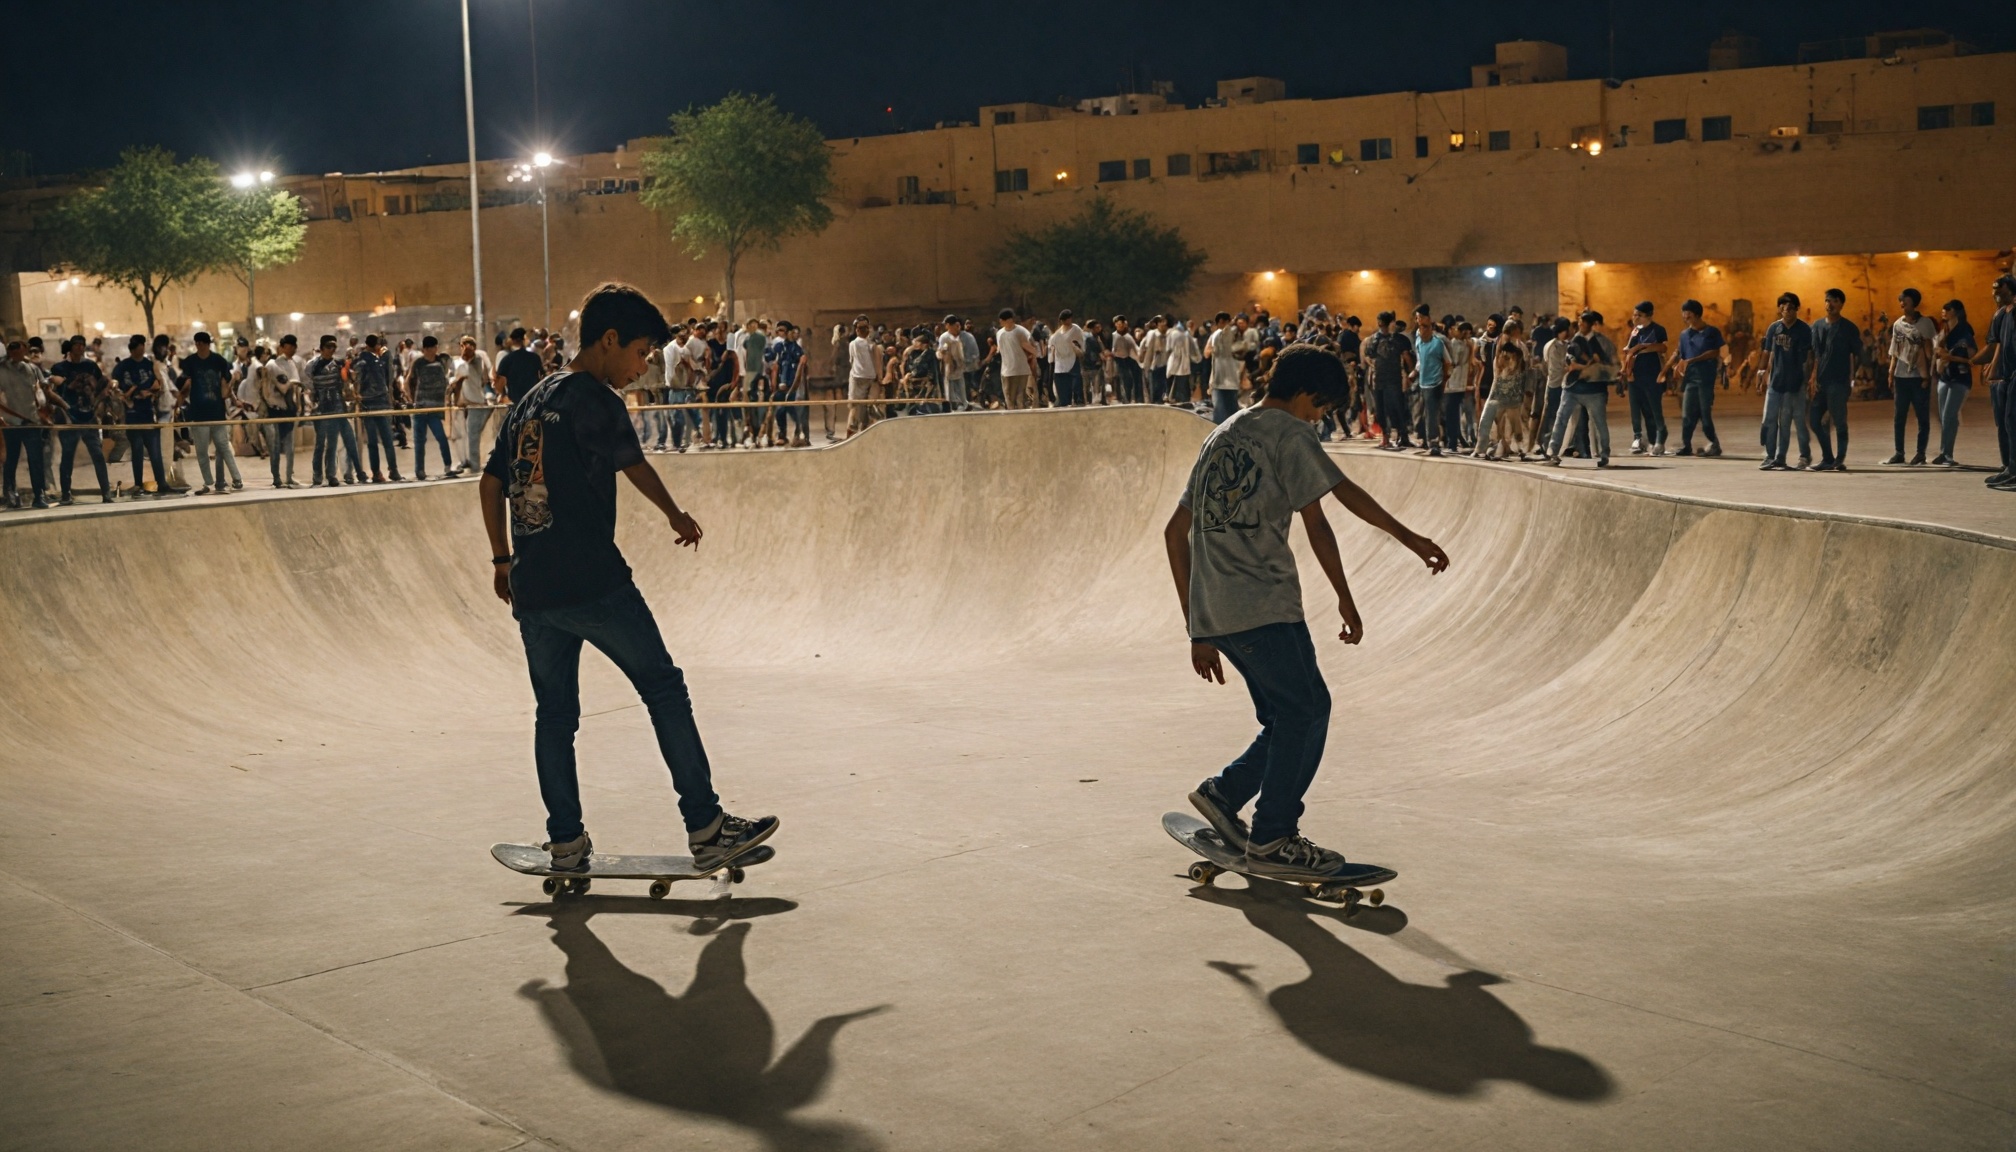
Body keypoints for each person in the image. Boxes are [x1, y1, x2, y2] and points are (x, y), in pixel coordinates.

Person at [479, 283, 778, 873]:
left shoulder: (528, 401)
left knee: (556, 716)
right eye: (640, 353)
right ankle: (707, 827)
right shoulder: (594, 398)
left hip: (534, 589)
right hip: (594, 583)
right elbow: (633, 464)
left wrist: (501, 560)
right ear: (609, 340)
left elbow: (490, 484)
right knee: (663, 689)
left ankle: (565, 840)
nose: (642, 368)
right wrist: (675, 514)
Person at [1163, 344, 1447, 880]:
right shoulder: (1290, 433)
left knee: (1285, 716)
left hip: (1219, 613)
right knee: (1307, 710)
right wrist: (1407, 541)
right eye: (1322, 407)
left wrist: (1197, 626)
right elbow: (1339, 500)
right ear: (1304, 393)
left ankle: (1224, 796)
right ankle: (1273, 836)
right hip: (1264, 606)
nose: (1321, 418)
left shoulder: (1222, 433)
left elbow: (1176, 532)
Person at [47, 337, 112, 504]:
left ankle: (106, 492)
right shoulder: (59, 368)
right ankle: (66, 494)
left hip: (89, 416)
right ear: (70, 347)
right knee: (67, 456)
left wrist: (99, 403)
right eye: (77, 344)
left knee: (97, 454)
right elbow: (52, 392)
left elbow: (102, 384)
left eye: (83, 344)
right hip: (68, 417)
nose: (80, 347)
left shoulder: (90, 366)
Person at [1545, 311, 1614, 467]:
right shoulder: (1575, 340)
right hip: (1572, 388)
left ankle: (1605, 455)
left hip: (1594, 391)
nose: (1580, 324)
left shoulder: (1602, 342)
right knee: (1561, 418)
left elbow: (1605, 364)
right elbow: (1570, 362)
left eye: (1583, 322)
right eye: (1579, 322)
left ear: (1591, 324)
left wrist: (1583, 366)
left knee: (1600, 423)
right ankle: (1552, 452)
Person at [180, 331, 243, 493]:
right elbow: (185, 385)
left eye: (201, 343)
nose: (198, 346)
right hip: (199, 412)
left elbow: (225, 386)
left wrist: (233, 393)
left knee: (223, 446)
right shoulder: (190, 362)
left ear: (207, 344)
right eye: (197, 343)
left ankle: (237, 478)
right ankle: (208, 482)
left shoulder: (219, 361)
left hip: (217, 411)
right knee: (201, 450)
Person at [1759, 292, 1814, 470]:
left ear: (1796, 309)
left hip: (1795, 383)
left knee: (1791, 420)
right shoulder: (1774, 329)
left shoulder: (1804, 330)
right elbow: (1768, 353)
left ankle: (1797, 456)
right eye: (1783, 307)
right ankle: (1770, 456)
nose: (1787, 311)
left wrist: (1808, 380)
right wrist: (1762, 374)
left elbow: (1809, 357)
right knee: (1769, 419)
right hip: (1776, 382)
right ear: (1779, 309)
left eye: (1791, 308)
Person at [1808, 288, 1861, 471]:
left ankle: (1839, 459)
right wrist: (1812, 377)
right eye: (1827, 301)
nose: (1829, 305)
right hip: (1821, 382)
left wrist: (1852, 380)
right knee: (1814, 419)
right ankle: (1828, 458)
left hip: (1839, 382)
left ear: (1841, 304)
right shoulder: (1817, 326)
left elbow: (1858, 354)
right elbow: (1815, 354)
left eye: (1834, 301)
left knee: (1839, 421)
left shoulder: (1849, 328)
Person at [112, 334, 171, 496]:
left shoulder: (148, 364)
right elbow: (115, 386)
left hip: (148, 413)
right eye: (141, 345)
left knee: (155, 451)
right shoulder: (123, 366)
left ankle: (162, 483)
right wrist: (124, 395)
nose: (143, 348)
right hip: (131, 414)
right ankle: (138, 484)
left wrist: (150, 392)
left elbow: (157, 384)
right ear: (135, 347)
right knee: (136, 450)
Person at [1885, 288, 1938, 465]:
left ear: (1914, 303)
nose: (1902, 303)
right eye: (1900, 300)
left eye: (1905, 301)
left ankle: (1920, 453)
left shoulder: (1926, 324)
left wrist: (1928, 376)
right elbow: (1894, 351)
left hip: (1919, 378)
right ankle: (1899, 452)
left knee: (1922, 417)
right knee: (1899, 416)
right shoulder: (1897, 325)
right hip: (1901, 377)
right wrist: (1891, 373)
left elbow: (1931, 351)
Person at [307, 335, 363, 486]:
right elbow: (309, 388)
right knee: (321, 444)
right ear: (322, 347)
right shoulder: (312, 365)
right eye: (328, 347)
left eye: (334, 347)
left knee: (341, 442)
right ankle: (318, 474)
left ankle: (339, 473)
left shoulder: (338, 363)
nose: (331, 350)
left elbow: (349, 379)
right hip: (321, 408)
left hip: (338, 406)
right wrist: (312, 405)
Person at [1670, 301, 1724, 456]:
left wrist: (1692, 360)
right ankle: (1686, 446)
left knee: (1704, 415)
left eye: (1688, 313)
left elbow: (1714, 352)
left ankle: (1715, 444)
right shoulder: (1684, 335)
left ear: (1697, 314)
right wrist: (1671, 369)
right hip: (1690, 380)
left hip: (1705, 380)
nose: (1685, 316)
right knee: (1687, 415)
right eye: (1683, 313)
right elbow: (1680, 354)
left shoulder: (1712, 332)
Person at [1, 340, 50, 508]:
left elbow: (42, 391)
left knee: (36, 460)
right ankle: (10, 493)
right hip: (11, 422)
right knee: (11, 460)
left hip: (31, 421)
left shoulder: (32, 369)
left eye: (22, 352)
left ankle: (39, 494)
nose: (20, 355)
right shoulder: (1, 370)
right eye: (17, 352)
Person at [1980, 276, 2016, 491]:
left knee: (2012, 419)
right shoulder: (2003, 314)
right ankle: (2010, 469)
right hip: (2010, 374)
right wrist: (1993, 367)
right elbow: (1999, 344)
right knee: (2008, 421)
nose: (1995, 293)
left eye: (1999, 289)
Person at [406, 336, 459, 479]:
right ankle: (420, 471)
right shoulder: (418, 363)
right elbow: (408, 380)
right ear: (426, 349)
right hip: (421, 408)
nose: (436, 350)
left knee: (442, 438)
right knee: (419, 441)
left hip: (435, 409)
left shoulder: (441, 360)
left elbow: (450, 368)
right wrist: (410, 399)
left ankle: (448, 467)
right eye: (434, 347)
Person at [1931, 300, 1976, 468]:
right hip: (1945, 376)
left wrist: (1951, 358)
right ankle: (1944, 452)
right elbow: (1937, 349)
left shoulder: (1964, 329)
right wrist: (1939, 351)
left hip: (1960, 377)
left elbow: (1971, 355)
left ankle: (1947, 454)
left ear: (1956, 311)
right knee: (1945, 417)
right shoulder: (1945, 330)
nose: (1943, 311)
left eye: (1947, 309)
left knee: (1950, 415)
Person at [1624, 302, 1669, 455]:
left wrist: (1641, 348)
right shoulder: (1635, 331)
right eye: (1634, 314)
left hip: (1652, 374)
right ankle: (1644, 439)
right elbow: (1629, 350)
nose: (1634, 317)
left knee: (1654, 408)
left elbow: (1663, 348)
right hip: (1635, 375)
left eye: (1638, 315)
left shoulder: (1658, 329)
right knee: (1638, 408)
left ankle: (1660, 437)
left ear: (1648, 316)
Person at [1410, 306, 1449, 457]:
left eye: (1420, 319)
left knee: (1433, 414)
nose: (1418, 322)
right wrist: (1414, 373)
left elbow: (1448, 362)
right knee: (1423, 414)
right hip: (1422, 382)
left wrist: (1444, 380)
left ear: (1428, 321)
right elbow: (1420, 361)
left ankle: (1435, 444)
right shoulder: (1418, 340)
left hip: (1435, 383)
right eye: (1417, 320)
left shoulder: (1438, 342)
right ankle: (1427, 442)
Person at [256, 360, 302, 487]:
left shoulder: (281, 378)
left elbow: (289, 393)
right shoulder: (266, 383)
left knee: (289, 448)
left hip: (286, 413)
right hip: (272, 415)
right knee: (275, 448)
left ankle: (288, 476)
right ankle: (277, 477)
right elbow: (267, 397)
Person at [453, 335, 495, 471]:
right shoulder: (461, 362)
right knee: (466, 435)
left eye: (466, 346)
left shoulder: (476, 360)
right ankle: (469, 461)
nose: (464, 349)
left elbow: (468, 360)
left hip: (476, 404)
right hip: (467, 404)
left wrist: (467, 351)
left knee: (473, 436)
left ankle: (475, 466)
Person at [995, 310, 1036, 411]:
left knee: (1020, 398)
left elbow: (1031, 348)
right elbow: (999, 349)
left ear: (1010, 320)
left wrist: (1033, 363)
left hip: (1021, 370)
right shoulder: (999, 333)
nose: (1000, 322)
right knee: (1009, 398)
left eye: (1003, 320)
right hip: (1006, 371)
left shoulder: (1021, 331)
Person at [1048, 310, 1085, 408]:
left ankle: (1078, 401)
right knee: (1061, 385)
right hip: (1060, 362)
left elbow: (1082, 342)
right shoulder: (1058, 332)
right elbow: (1052, 342)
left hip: (1071, 359)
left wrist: (1078, 348)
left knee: (1075, 384)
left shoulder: (1075, 329)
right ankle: (1063, 402)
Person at [936, 315, 968, 412]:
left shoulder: (961, 335)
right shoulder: (944, 337)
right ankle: (952, 404)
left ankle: (964, 403)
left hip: (960, 363)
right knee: (949, 385)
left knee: (960, 384)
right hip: (949, 364)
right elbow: (940, 351)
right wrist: (942, 353)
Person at [1164, 318, 1197, 407]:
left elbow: (1168, 348)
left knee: (1172, 381)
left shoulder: (1171, 333)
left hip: (1175, 361)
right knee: (1183, 387)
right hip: (1184, 364)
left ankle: (1171, 398)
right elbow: (1193, 350)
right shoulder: (1186, 334)